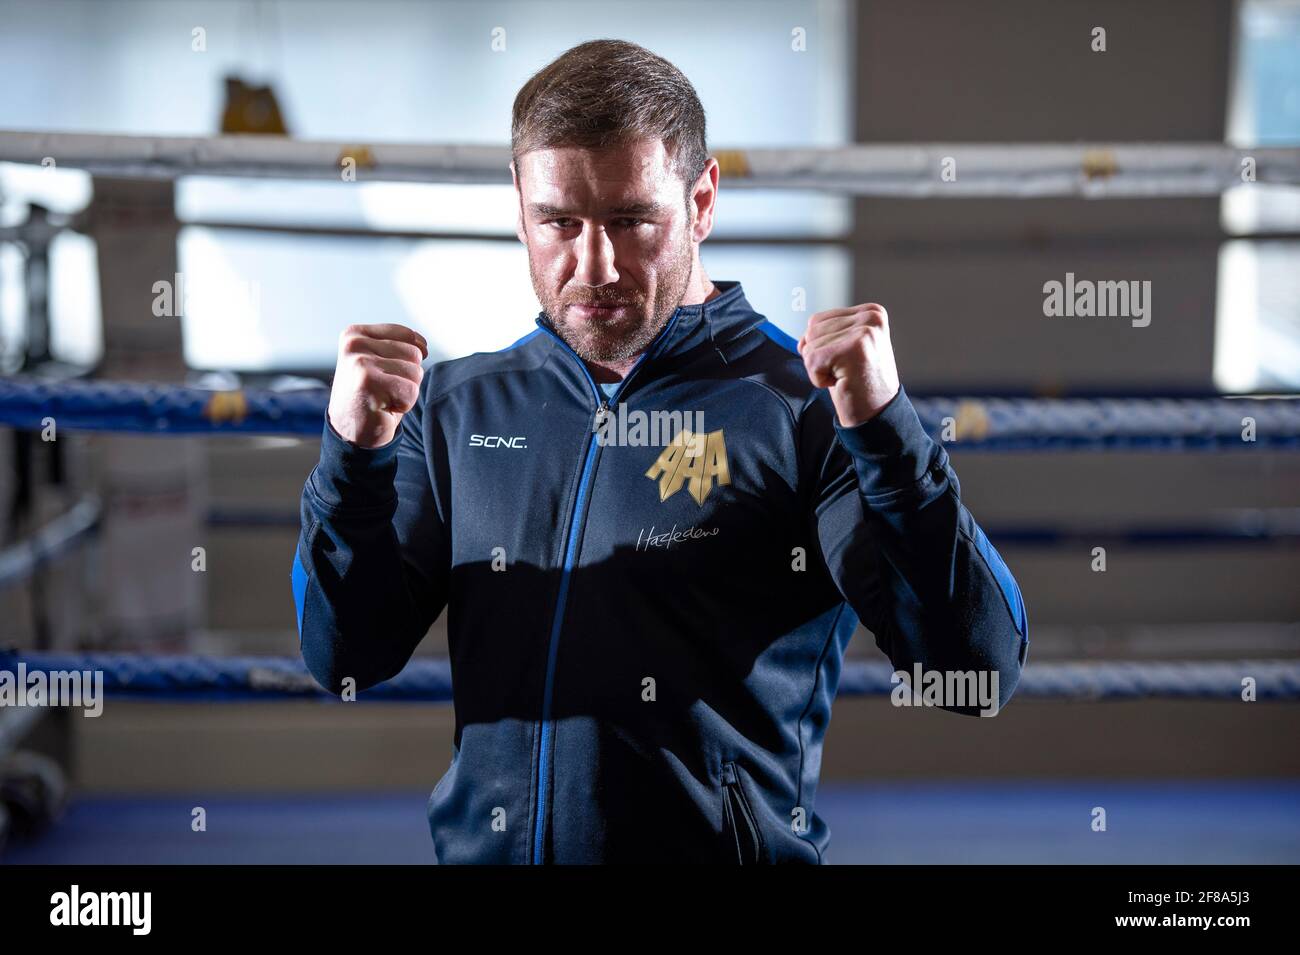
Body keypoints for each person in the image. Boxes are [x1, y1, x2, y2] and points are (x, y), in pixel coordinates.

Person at [292, 38, 1028, 864]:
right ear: (519, 204)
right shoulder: (460, 406)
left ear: (703, 199)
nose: (593, 265)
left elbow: (979, 670)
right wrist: (352, 460)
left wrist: (889, 434)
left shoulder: (801, 410)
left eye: (631, 220)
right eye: (559, 222)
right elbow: (344, 654)